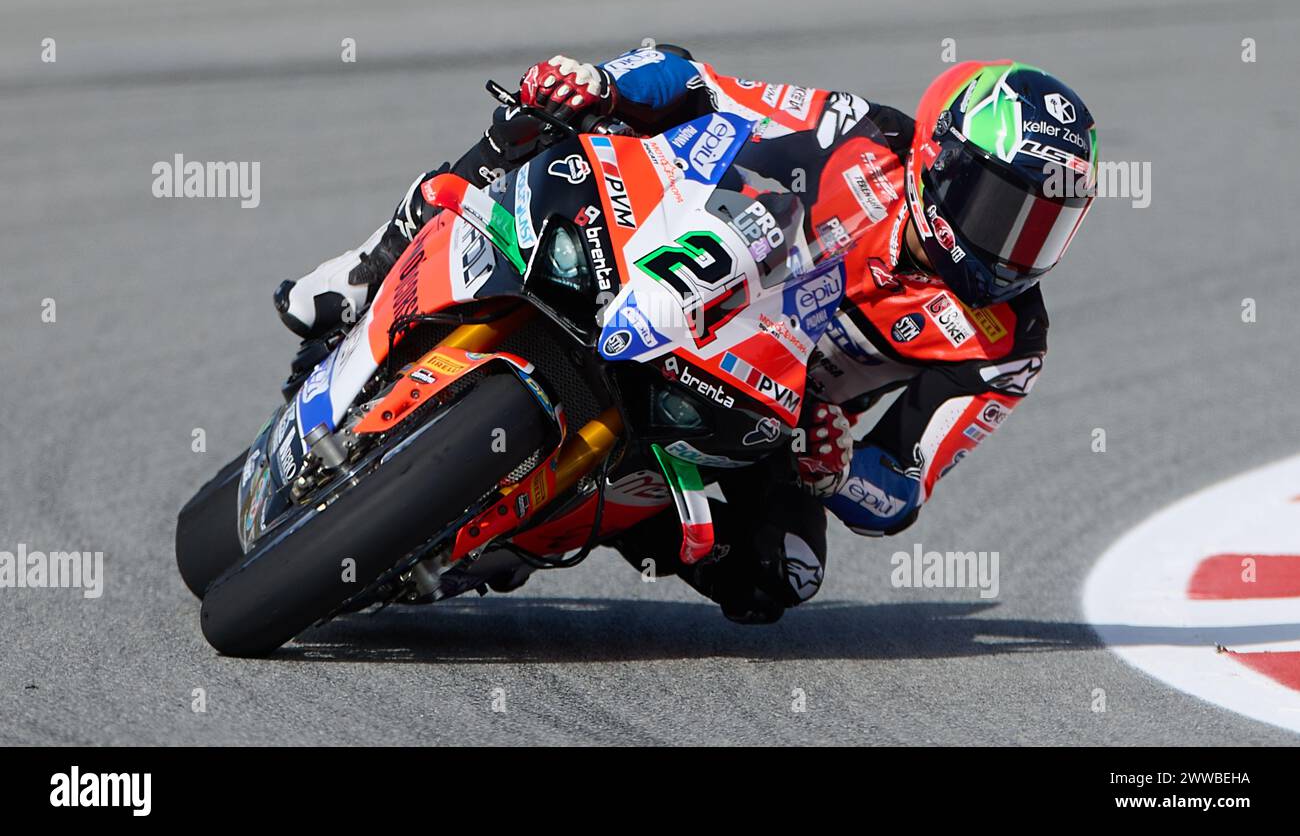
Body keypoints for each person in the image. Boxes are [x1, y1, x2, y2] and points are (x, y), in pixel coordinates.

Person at [275, 46, 1098, 623]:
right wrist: (596, 81)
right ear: (942, 162)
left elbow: (901, 489)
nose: (1013, 246)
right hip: (687, 271)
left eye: (1044, 228)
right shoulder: (857, 134)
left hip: (768, 417)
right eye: (1004, 208)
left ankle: (541, 525)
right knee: (545, 121)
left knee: (785, 579)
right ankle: (373, 264)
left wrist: (834, 465)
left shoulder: (1005, 344)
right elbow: (698, 81)